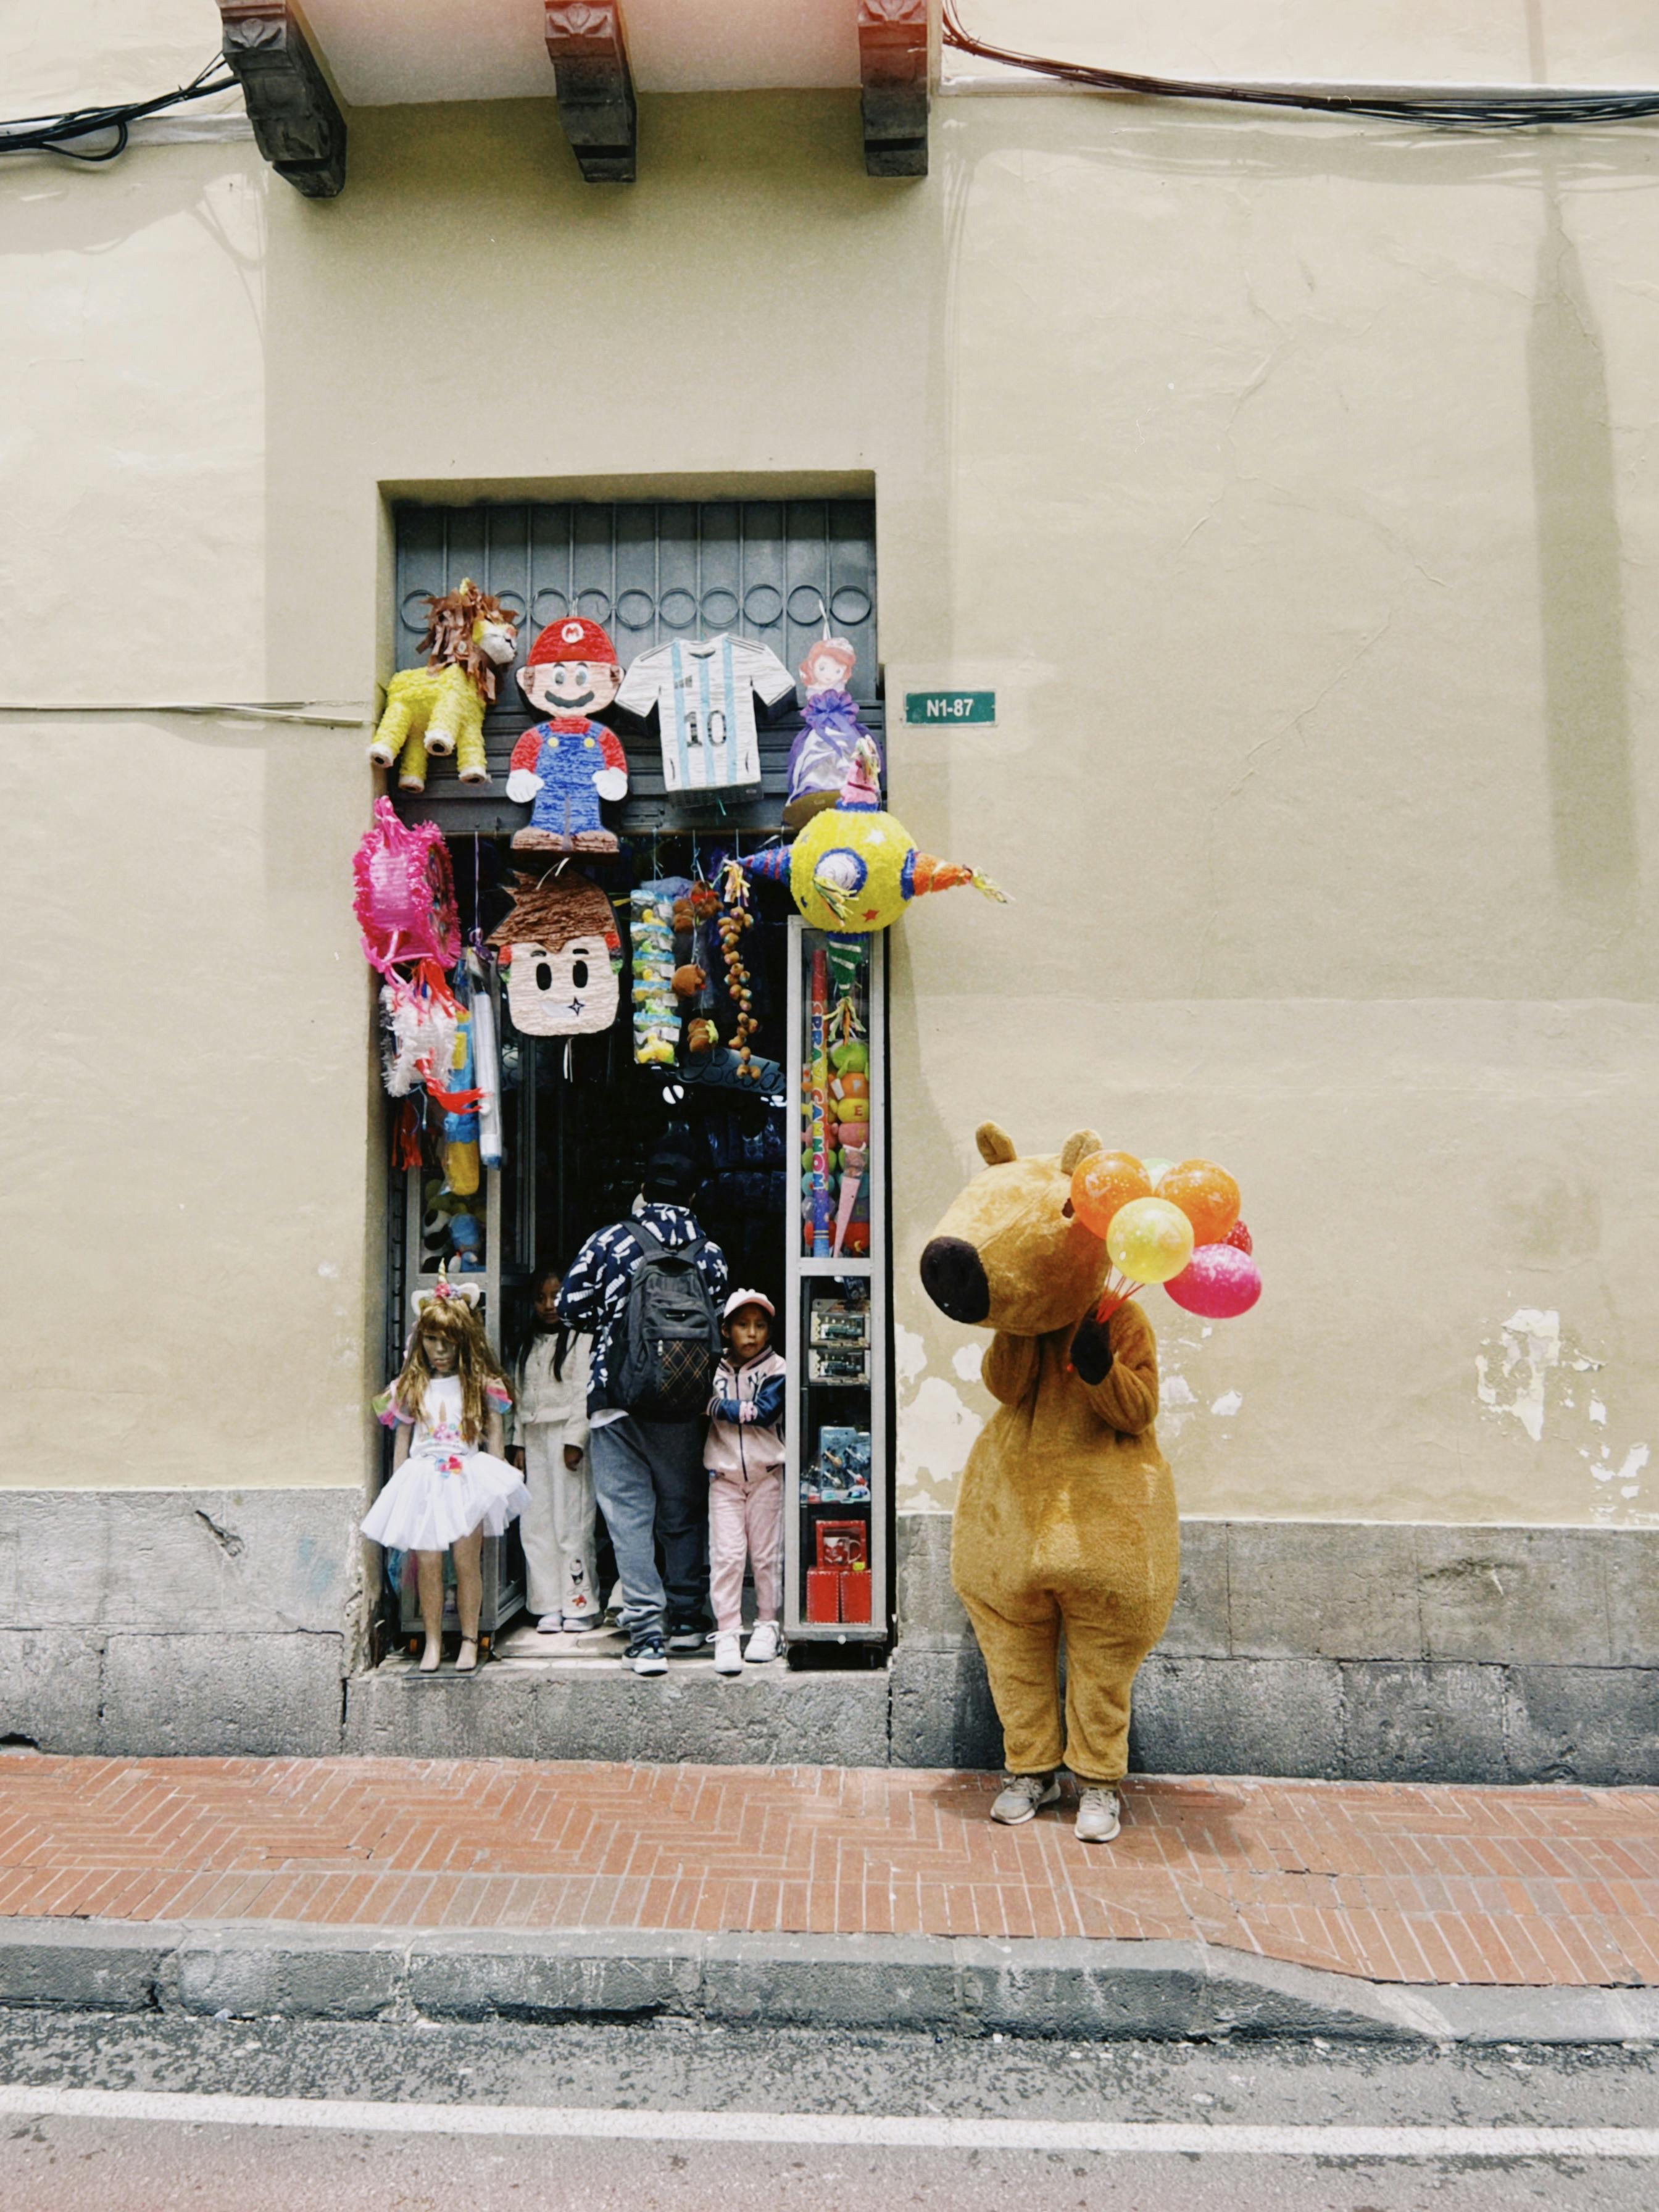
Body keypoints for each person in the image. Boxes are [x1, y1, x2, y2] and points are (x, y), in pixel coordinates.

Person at [558, 1139, 728, 1675]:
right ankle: (686, 1619)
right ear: (696, 1195)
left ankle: (647, 1635)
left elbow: (569, 1307)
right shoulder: (710, 1252)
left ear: (642, 1191)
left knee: (628, 1516)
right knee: (681, 1509)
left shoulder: (609, 1241)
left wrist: (615, 1328)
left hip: (617, 1399)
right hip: (684, 1401)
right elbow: (722, 1319)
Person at [364, 1279, 528, 1675]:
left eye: (449, 1342)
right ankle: (434, 1640)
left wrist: (498, 1479)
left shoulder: (479, 1386)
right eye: (432, 1340)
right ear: (421, 1342)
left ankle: (469, 1638)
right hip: (422, 1479)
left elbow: (493, 1441)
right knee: (429, 1563)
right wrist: (398, 1489)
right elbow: (402, 1443)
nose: (440, 1350)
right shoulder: (410, 1388)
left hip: (466, 1476)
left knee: (467, 1560)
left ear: (464, 1342)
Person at [511, 1266, 600, 1633]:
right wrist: (516, 1442)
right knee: (537, 1523)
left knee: (572, 1522)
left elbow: (584, 1393)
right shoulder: (526, 1343)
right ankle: (547, 1604)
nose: (550, 1305)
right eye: (541, 1298)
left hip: (566, 1437)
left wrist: (575, 1440)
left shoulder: (581, 1339)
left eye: (557, 1296)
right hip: (534, 1437)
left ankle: (579, 1604)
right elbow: (516, 1395)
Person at [705, 1290, 787, 1675]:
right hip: (724, 1479)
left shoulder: (777, 1368)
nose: (751, 1333)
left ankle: (767, 1625)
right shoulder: (712, 1368)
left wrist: (715, 1407)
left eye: (759, 1325)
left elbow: (764, 1411)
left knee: (767, 1556)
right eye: (742, 1325)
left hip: (766, 1475)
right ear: (726, 1329)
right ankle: (727, 1633)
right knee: (727, 1556)